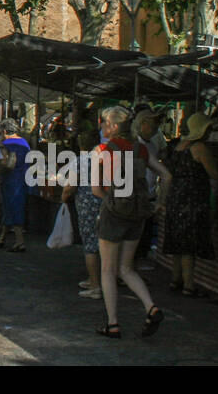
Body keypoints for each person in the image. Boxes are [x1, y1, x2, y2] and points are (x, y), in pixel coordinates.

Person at [92, 105, 171, 340]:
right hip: (138, 214)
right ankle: (151, 307)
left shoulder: (103, 150)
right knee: (126, 268)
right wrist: (159, 203)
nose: (102, 127)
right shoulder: (141, 149)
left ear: (114, 126)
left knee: (107, 269)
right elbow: (167, 176)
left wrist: (111, 201)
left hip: (114, 214)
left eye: (104, 123)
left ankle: (113, 323)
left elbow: (96, 190)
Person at [161, 111, 218, 297]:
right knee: (188, 246)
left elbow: (169, 175)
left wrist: (163, 199)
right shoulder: (199, 148)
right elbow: (215, 174)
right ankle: (189, 285)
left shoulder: (179, 147)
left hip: (176, 197)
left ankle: (175, 279)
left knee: (178, 242)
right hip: (193, 198)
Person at [69, 130, 103, 299]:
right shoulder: (107, 157)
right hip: (105, 205)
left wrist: (64, 197)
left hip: (86, 206)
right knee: (102, 244)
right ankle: (94, 279)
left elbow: (70, 185)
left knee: (90, 245)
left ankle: (95, 286)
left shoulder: (81, 161)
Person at [132, 109, 165, 269]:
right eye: (153, 124)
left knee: (144, 234)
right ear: (143, 124)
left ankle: (134, 268)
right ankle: (130, 268)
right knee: (137, 235)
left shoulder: (152, 145)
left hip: (149, 193)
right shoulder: (137, 144)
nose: (156, 128)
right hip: (139, 195)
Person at [0, 120, 31, 252]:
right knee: (13, 208)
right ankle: (2, 238)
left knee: (12, 209)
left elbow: (5, 163)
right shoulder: (25, 142)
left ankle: (20, 242)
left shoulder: (5, 144)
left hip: (10, 180)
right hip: (23, 179)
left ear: (4, 131)